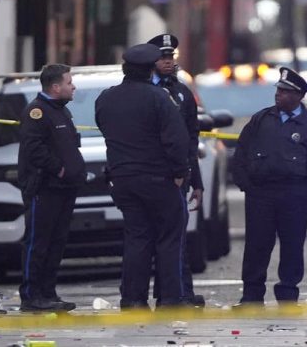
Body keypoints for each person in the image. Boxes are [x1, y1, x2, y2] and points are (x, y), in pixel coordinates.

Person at [231, 67, 307, 306]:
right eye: (278, 90)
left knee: (292, 246)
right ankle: (251, 296)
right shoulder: (261, 119)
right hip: (261, 193)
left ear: (298, 96)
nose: (278, 95)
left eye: (285, 91)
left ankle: (288, 296)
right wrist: (245, 183)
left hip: (295, 195)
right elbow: (241, 152)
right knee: (256, 246)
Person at [95, 44, 190, 310]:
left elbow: (105, 128)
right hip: (159, 179)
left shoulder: (106, 98)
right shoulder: (159, 98)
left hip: (123, 179)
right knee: (169, 239)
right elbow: (176, 140)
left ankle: (133, 299)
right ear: (151, 70)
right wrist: (180, 172)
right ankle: (170, 299)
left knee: (137, 238)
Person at [17, 64, 85, 312]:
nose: (73, 86)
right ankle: (31, 295)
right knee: (38, 242)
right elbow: (35, 150)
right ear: (55, 87)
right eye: (69, 82)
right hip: (45, 189)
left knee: (57, 242)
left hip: (64, 188)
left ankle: (48, 293)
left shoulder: (61, 111)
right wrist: (60, 169)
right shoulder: (37, 111)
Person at [147, 33, 205, 307]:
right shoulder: (144, 89)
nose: (168, 62)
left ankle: (180, 293)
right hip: (150, 174)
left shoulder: (182, 92)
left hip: (177, 177)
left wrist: (197, 180)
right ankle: (165, 293)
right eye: (163, 58)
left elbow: (191, 139)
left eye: (171, 57)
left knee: (177, 237)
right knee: (151, 239)